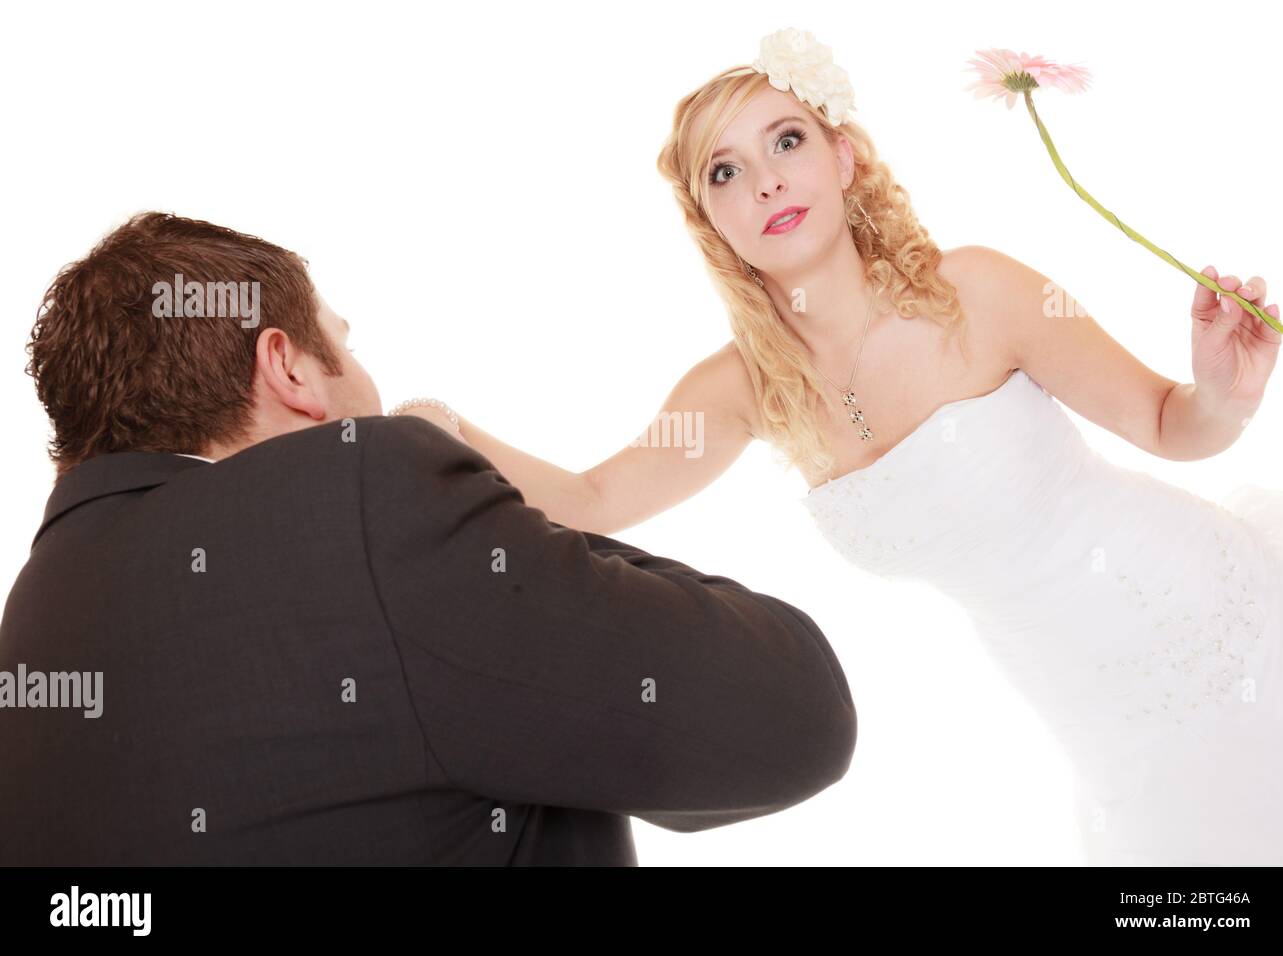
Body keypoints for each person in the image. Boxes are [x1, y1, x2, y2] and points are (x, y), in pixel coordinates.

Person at [416, 29, 1283, 865]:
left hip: (1212, 612)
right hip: (1085, 705)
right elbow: (592, 502)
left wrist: (1223, 395)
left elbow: (1168, 425)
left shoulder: (978, 290)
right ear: (707, 216)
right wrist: (439, 427)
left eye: (787, 141)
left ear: (843, 157)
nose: (764, 182)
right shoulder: (737, 393)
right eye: (726, 170)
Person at [0, 211, 856, 866]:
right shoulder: (366, 491)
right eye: (341, 341)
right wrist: (472, 486)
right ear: (289, 369)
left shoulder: (36, 614)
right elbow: (794, 718)